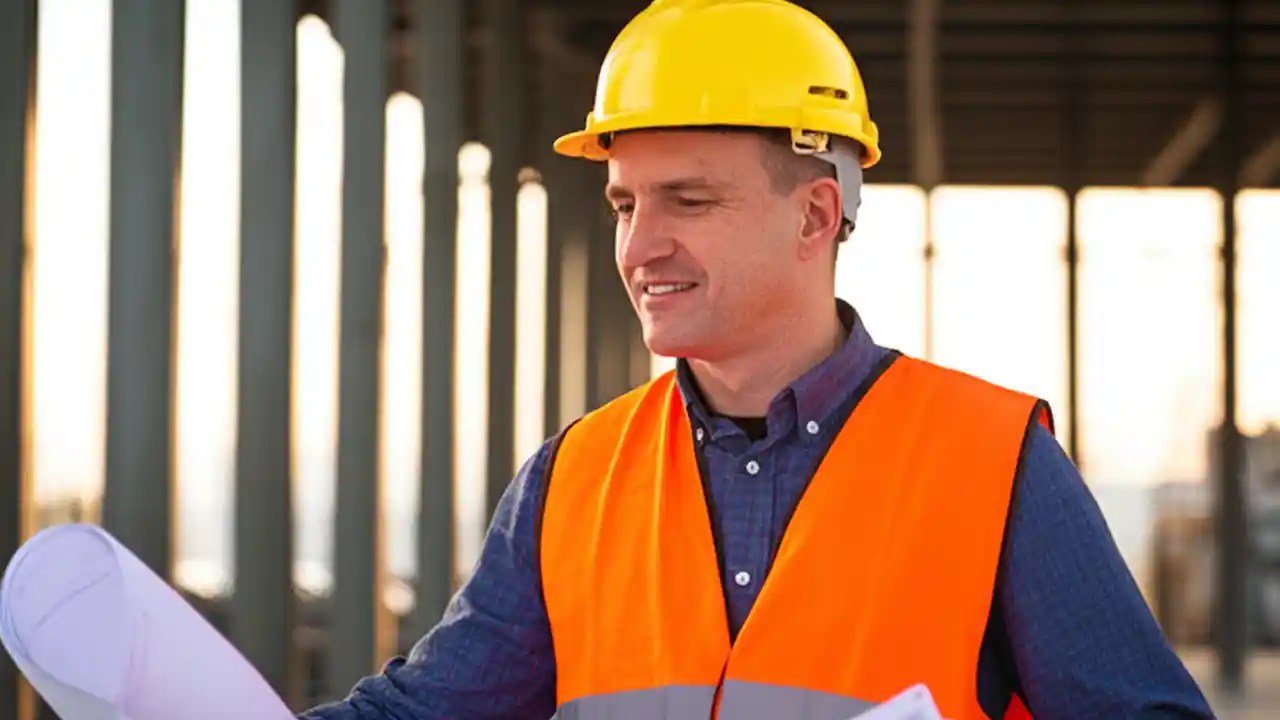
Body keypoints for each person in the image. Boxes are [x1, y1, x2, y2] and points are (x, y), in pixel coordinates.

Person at [302, 1, 1214, 718]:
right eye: (625, 205)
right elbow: (423, 712)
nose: (639, 247)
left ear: (815, 216)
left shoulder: (993, 463)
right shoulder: (573, 479)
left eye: (688, 201)